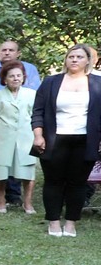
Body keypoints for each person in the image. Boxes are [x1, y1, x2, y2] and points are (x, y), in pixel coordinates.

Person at [31, 44, 101, 237]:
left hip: (85, 140)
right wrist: (38, 135)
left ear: (88, 61)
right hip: (54, 139)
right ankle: (53, 222)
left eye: (79, 57)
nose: (75, 60)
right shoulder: (51, 82)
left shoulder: (97, 83)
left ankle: (71, 223)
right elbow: (38, 111)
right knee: (53, 181)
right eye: (71, 56)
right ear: (66, 60)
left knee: (77, 183)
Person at [0, 40, 40, 206]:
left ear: (18, 53)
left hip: (22, 128)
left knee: (21, 160)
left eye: (11, 50)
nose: (7, 53)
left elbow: (36, 99)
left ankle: (15, 195)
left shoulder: (30, 70)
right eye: (3, 50)